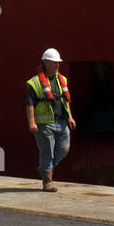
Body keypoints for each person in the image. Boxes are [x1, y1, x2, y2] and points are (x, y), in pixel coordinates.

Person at [25, 48, 75, 191]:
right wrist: (32, 122)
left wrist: (70, 117)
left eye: (58, 63)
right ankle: (47, 182)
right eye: (54, 63)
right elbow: (29, 104)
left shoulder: (62, 80)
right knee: (47, 153)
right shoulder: (34, 83)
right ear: (46, 63)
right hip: (44, 124)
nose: (57, 65)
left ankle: (44, 169)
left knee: (63, 149)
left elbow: (65, 101)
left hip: (61, 122)